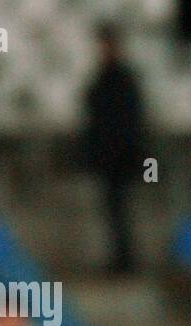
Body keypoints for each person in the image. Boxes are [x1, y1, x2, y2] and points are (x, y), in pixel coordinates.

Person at [83, 24, 145, 273]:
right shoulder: (106, 76)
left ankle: (125, 259)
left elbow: (126, 122)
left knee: (120, 211)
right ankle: (122, 258)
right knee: (114, 211)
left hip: (119, 156)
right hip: (111, 157)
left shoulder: (120, 78)